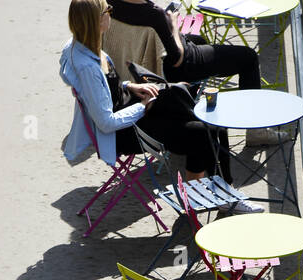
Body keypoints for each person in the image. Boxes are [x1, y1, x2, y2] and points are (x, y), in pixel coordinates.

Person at [61, 0, 257, 193]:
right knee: (202, 132)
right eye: (107, 10)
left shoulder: (79, 45)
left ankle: (225, 192)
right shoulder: (88, 66)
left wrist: (131, 85)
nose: (111, 12)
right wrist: (143, 105)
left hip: (129, 108)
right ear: (96, 21)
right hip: (123, 132)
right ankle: (199, 199)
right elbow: (106, 122)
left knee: (211, 123)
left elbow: (104, 87)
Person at [110, 0, 261, 90]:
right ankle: (256, 131)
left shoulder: (108, 4)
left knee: (199, 39)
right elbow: (178, 59)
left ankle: (192, 97)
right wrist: (174, 25)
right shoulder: (154, 15)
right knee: (249, 57)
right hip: (177, 66)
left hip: (137, 58)